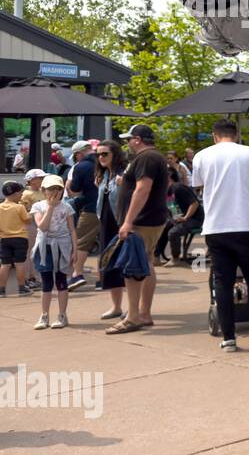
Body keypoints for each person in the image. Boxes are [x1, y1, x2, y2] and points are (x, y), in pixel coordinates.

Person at [191, 118, 249, 351]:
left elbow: (198, 186)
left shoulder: (201, 156)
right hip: (248, 226)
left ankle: (228, 339)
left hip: (215, 228)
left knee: (222, 282)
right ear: (237, 135)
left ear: (214, 135)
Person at [106, 124, 171, 333]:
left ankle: (133, 317)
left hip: (142, 221)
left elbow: (143, 189)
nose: (126, 144)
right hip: (150, 218)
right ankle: (143, 313)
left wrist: (128, 221)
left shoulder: (146, 158)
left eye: (128, 140)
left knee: (132, 267)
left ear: (137, 139)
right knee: (146, 263)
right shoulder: (154, 158)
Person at [31, 175, 75, 329]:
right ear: (43, 190)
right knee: (46, 282)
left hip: (63, 246)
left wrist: (74, 250)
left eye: (57, 189)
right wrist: (50, 206)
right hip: (45, 247)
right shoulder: (38, 206)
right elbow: (42, 227)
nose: (54, 192)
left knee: (62, 281)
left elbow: (72, 230)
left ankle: (62, 315)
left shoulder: (67, 207)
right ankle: (44, 315)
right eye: (50, 189)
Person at [94, 141, 129, 323]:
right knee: (110, 264)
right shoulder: (103, 175)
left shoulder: (125, 173)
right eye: (98, 154)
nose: (101, 157)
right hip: (106, 224)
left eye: (105, 154)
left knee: (127, 265)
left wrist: (126, 185)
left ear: (115, 154)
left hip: (121, 223)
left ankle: (133, 308)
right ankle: (116, 307)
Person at [65, 140, 98, 290]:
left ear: (79, 153)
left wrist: (69, 187)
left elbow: (76, 189)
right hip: (114, 209)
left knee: (82, 242)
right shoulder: (108, 160)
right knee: (108, 241)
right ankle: (105, 277)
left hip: (91, 208)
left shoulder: (82, 166)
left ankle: (77, 275)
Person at [0, 180, 32, 296]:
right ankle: (22, 288)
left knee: (5, 264)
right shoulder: (19, 207)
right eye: (20, 193)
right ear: (15, 194)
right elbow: (28, 221)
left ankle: (1, 290)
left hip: (4, 239)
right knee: (19, 263)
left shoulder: (0, 207)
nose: (21, 195)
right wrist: (28, 212)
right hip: (20, 238)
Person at [165, 168, 204, 263]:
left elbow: (194, 203)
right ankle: (156, 256)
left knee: (173, 233)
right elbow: (170, 207)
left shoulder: (178, 188)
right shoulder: (166, 191)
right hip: (180, 218)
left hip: (194, 219)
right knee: (162, 227)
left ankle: (175, 258)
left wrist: (186, 217)